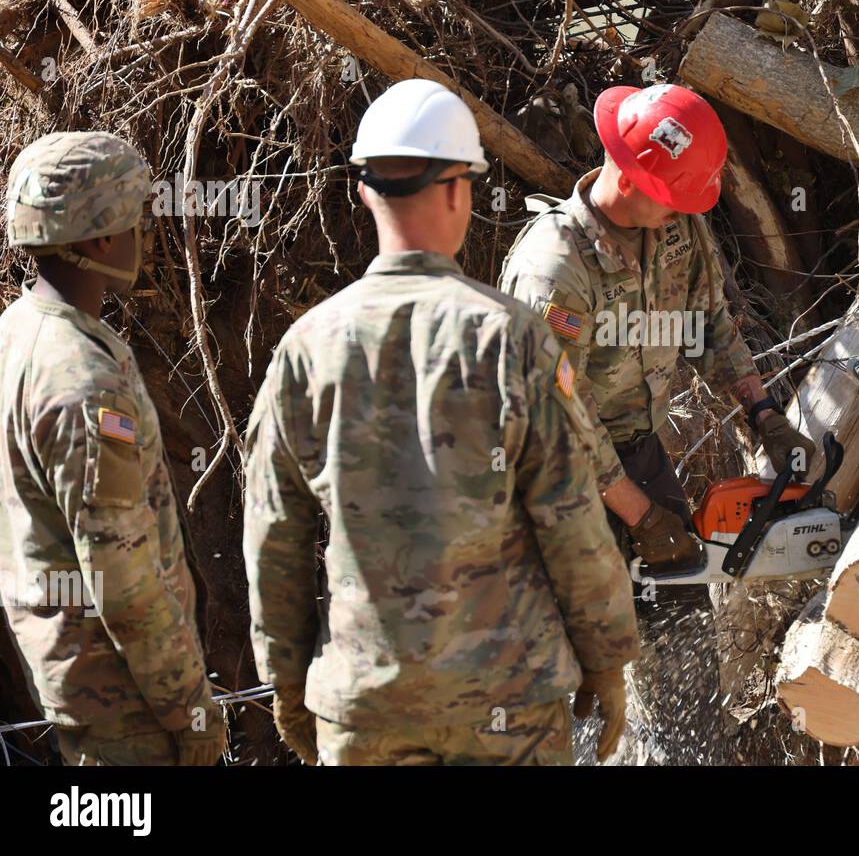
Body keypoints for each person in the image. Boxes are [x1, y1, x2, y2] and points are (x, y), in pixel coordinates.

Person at [243, 79, 640, 766]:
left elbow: (274, 537)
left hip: (367, 703)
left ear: (364, 191)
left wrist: (287, 683)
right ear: (460, 190)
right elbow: (572, 520)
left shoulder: (307, 348)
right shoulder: (514, 340)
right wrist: (606, 661)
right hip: (508, 703)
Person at [499, 83, 814, 763]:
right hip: (550, 484)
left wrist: (764, 415)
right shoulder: (554, 269)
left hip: (637, 454)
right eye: (673, 197)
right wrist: (639, 516)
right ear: (631, 176)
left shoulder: (675, 227)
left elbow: (712, 324)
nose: (681, 210)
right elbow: (557, 424)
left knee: (682, 640)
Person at [0, 131, 225, 766]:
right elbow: (121, 581)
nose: (144, 235)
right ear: (99, 239)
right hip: (126, 709)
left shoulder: (17, 334)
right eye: (136, 218)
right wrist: (193, 708)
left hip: (76, 680)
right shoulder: (81, 379)